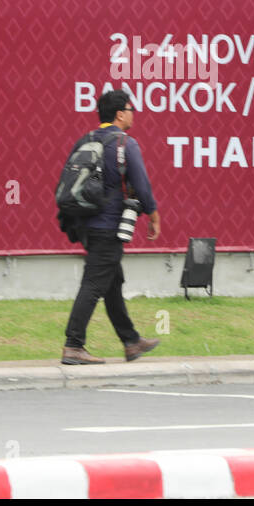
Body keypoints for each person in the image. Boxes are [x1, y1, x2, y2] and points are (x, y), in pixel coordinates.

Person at [61, 90, 162, 365]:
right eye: (131, 109)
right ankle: (73, 345)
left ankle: (130, 341)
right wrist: (153, 215)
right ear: (119, 114)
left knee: (112, 282)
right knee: (94, 283)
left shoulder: (86, 140)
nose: (133, 114)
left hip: (86, 224)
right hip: (108, 225)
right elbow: (141, 183)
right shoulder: (124, 143)